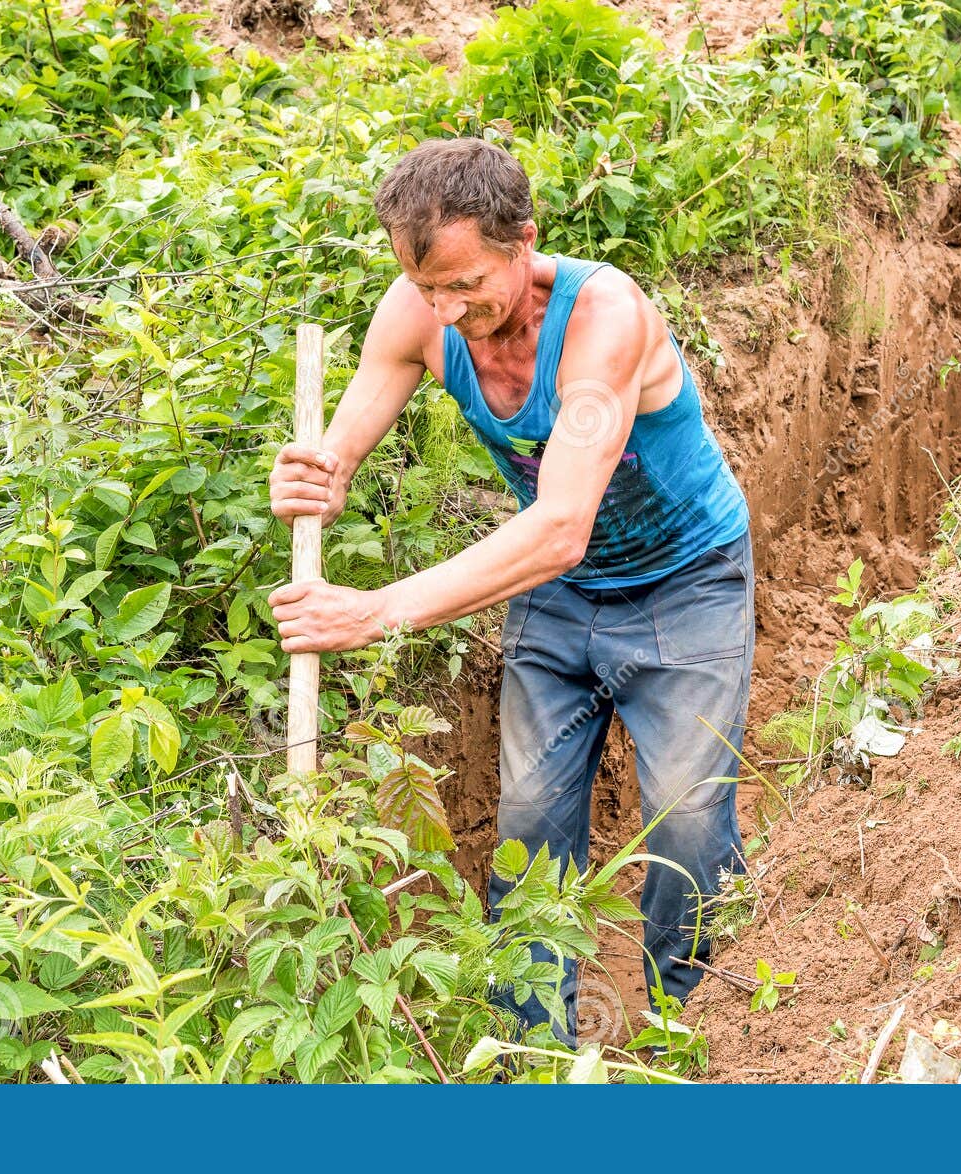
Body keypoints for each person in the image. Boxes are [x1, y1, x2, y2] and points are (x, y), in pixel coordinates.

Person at [267, 137, 753, 1042]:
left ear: (523, 240)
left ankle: (692, 1029)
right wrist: (316, 475)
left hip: (686, 587)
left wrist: (374, 611)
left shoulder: (606, 318)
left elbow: (561, 525)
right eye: (425, 288)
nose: (445, 312)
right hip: (560, 604)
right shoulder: (417, 312)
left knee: (688, 825)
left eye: (463, 285)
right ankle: (528, 1050)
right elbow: (339, 450)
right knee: (530, 825)